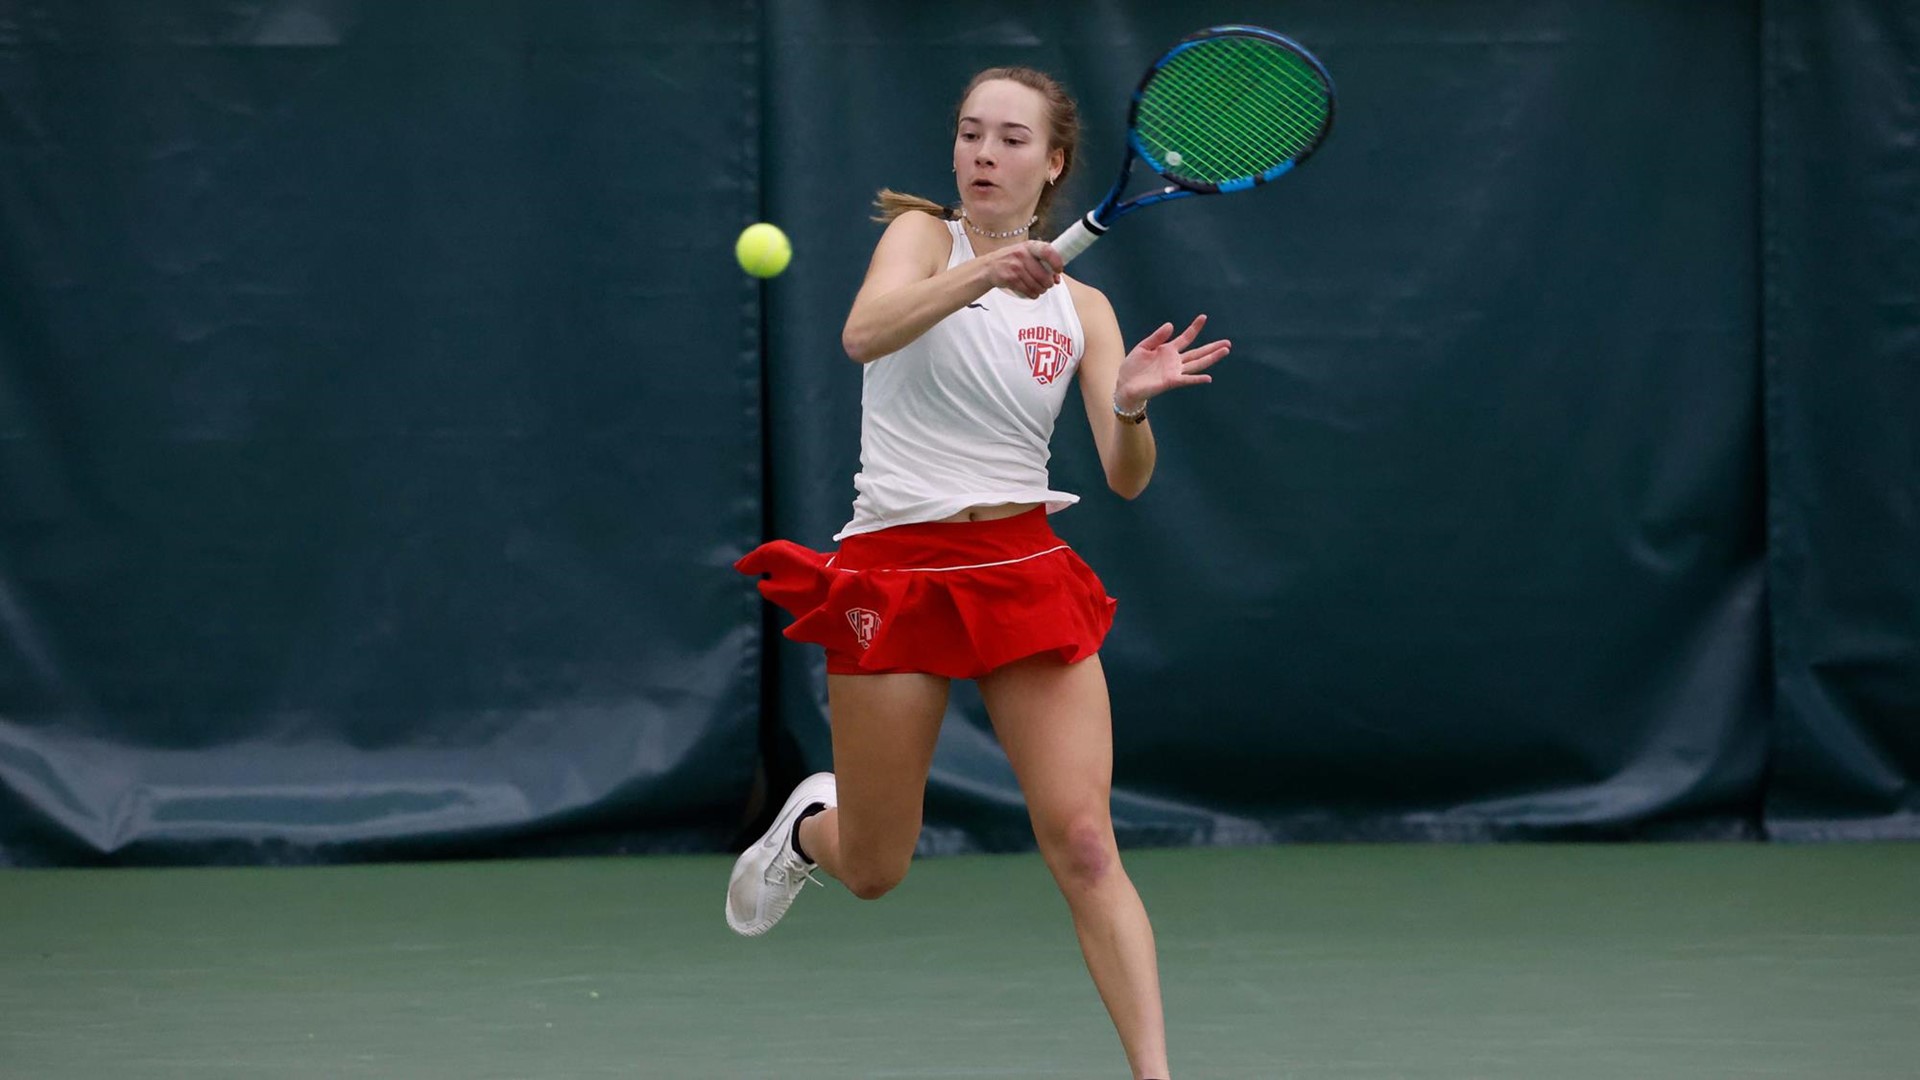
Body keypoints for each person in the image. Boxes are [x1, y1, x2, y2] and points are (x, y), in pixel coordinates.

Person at [727, 65, 1227, 1080]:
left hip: (1021, 566)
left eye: (1009, 139)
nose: (983, 155)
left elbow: (1126, 477)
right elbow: (864, 333)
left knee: (1086, 844)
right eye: (969, 133)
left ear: (1054, 163)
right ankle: (810, 829)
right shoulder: (923, 238)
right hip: (898, 570)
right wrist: (987, 273)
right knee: (876, 869)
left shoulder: (1085, 308)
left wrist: (1130, 405)